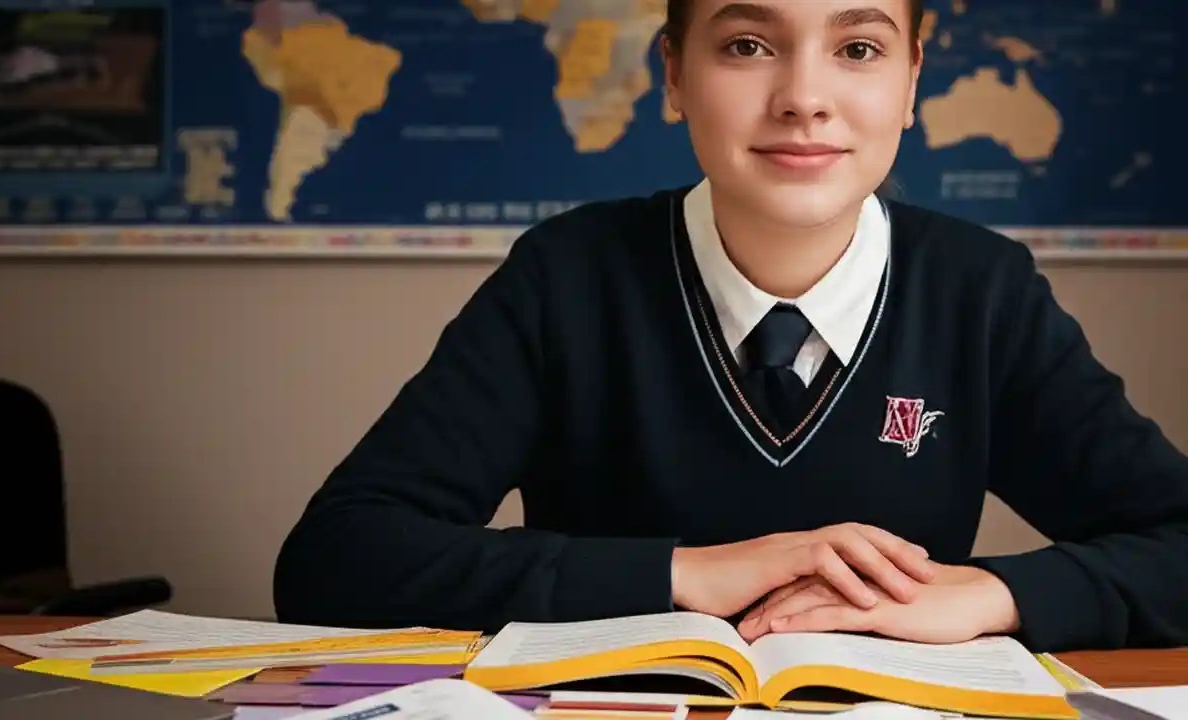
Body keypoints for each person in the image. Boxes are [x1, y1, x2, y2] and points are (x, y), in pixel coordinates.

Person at [273, 0, 1188, 653]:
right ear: (673, 74)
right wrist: (686, 577)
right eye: (748, 44)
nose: (803, 96)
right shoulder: (569, 276)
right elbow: (335, 559)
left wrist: (996, 595)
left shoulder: (980, 291)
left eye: (859, 49)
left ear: (914, 79)